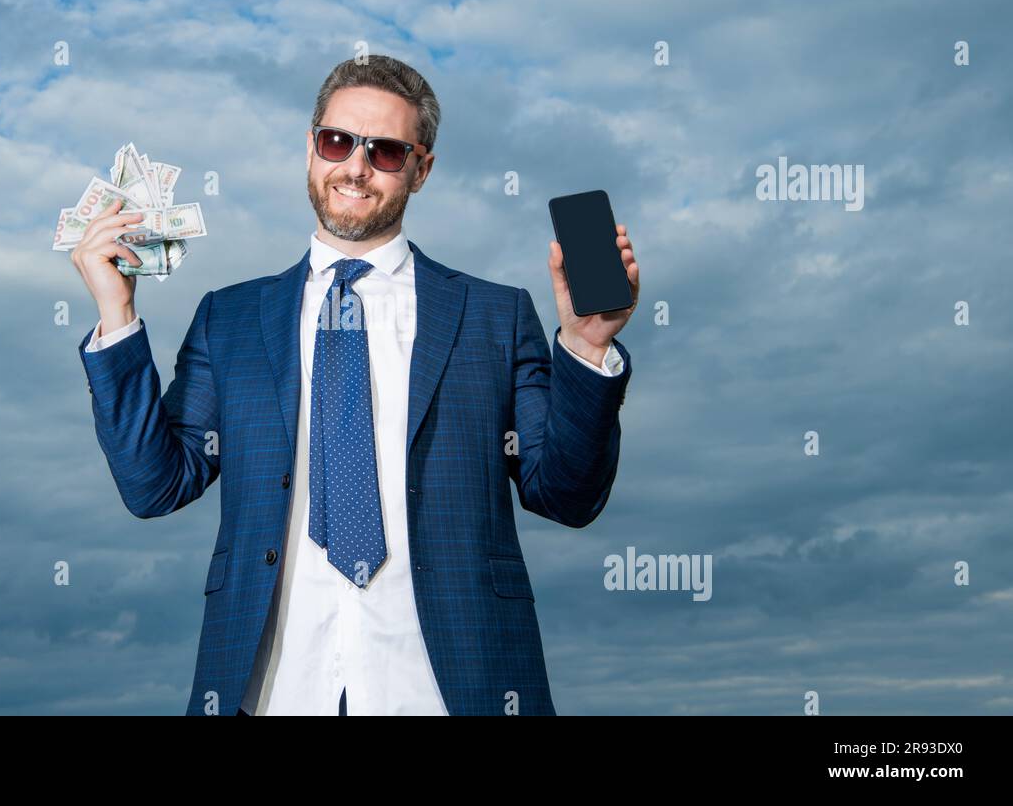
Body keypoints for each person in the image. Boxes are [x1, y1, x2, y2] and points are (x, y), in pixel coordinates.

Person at [71, 55, 639, 715]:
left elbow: (567, 494)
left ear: (422, 169)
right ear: (311, 150)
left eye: (387, 151)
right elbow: (154, 485)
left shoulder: (495, 316)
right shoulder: (228, 320)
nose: (356, 167)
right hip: (279, 691)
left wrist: (586, 346)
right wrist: (117, 315)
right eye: (337, 141)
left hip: (453, 689)